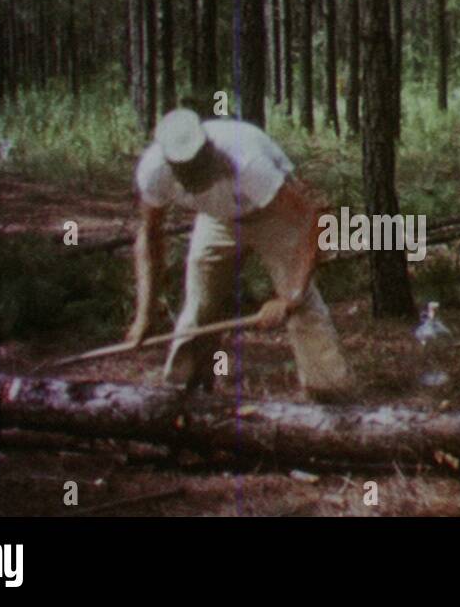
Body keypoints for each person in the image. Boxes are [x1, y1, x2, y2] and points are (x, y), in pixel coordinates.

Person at [126, 108, 352, 400]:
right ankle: (183, 393)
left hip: (271, 213)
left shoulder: (249, 162)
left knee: (302, 306)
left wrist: (291, 296)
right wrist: (144, 313)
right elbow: (149, 236)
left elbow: (316, 218)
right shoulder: (153, 171)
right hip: (218, 217)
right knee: (199, 305)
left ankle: (330, 397)